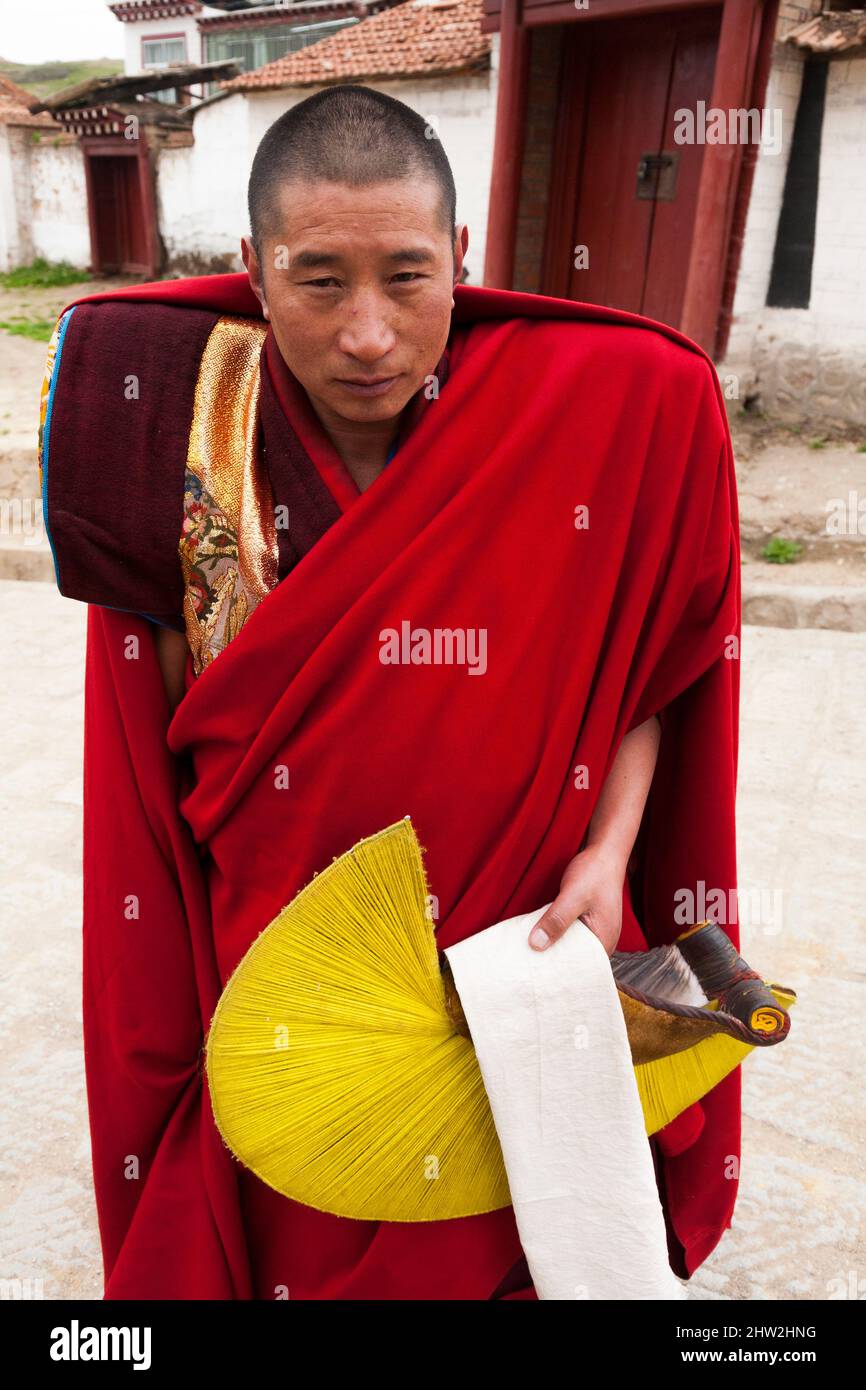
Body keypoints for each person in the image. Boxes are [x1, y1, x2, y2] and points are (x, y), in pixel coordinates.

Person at [39, 84, 742, 1300]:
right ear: (252, 269)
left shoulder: (588, 411)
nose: (368, 334)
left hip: (516, 951)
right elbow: (153, 752)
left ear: (462, 259)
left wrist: (612, 851)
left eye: (408, 278)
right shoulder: (178, 428)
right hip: (286, 970)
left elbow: (647, 664)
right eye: (319, 281)